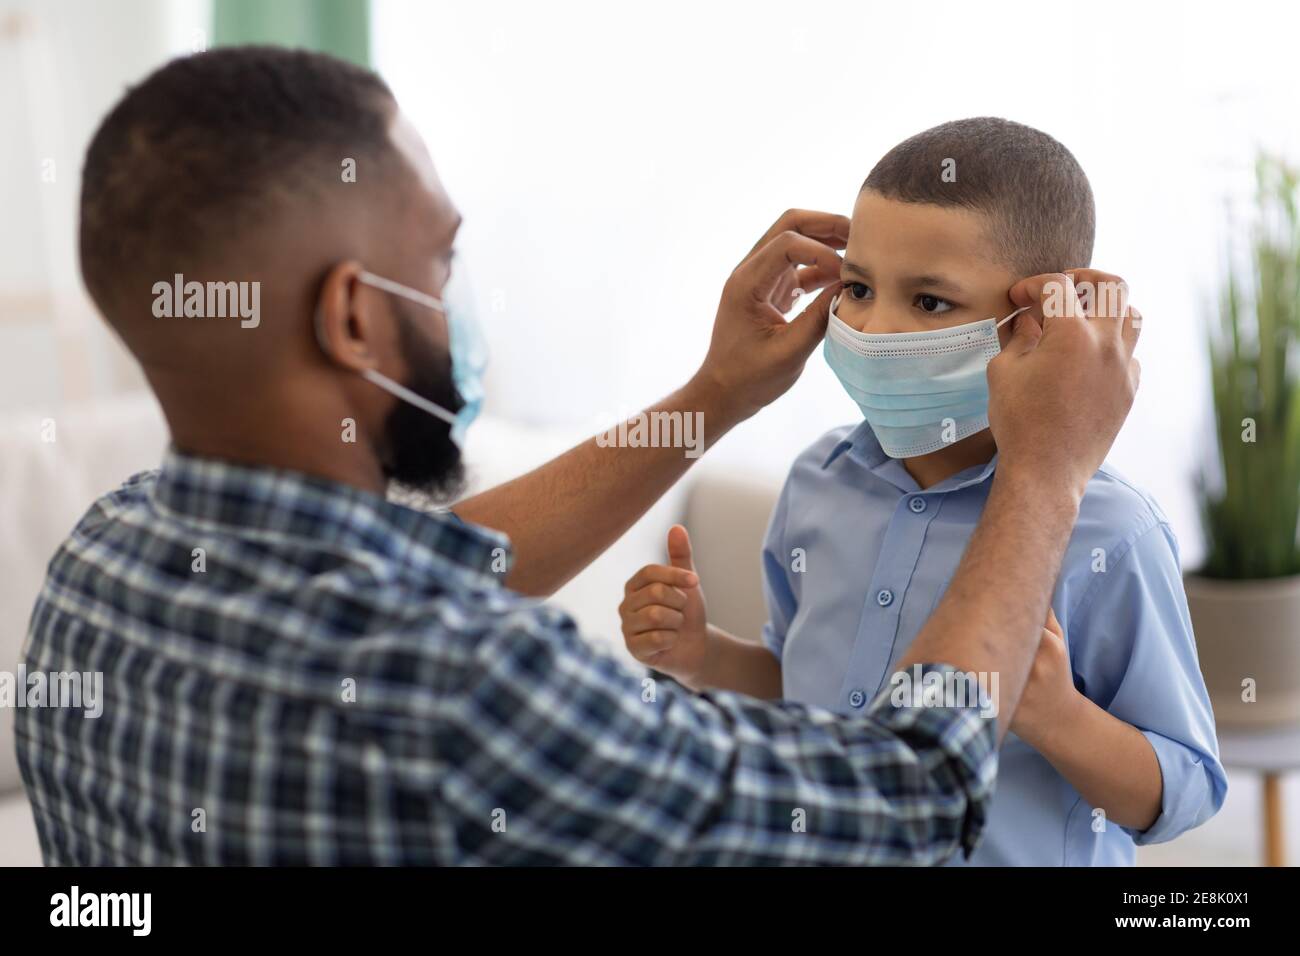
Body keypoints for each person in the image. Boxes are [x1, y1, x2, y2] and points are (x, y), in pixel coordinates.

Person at [16, 49, 1139, 865]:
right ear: (354, 318)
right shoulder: (465, 691)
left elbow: (443, 558)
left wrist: (711, 394)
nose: (461, 298)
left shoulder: (106, 556)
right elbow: (911, 797)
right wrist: (1045, 470)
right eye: (441, 263)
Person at [619, 118, 1225, 866]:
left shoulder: (1109, 531)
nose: (874, 328)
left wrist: (1058, 716)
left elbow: (1187, 787)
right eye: (859, 287)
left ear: (1037, 319)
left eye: (930, 302)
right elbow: (797, 688)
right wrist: (700, 655)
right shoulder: (818, 480)